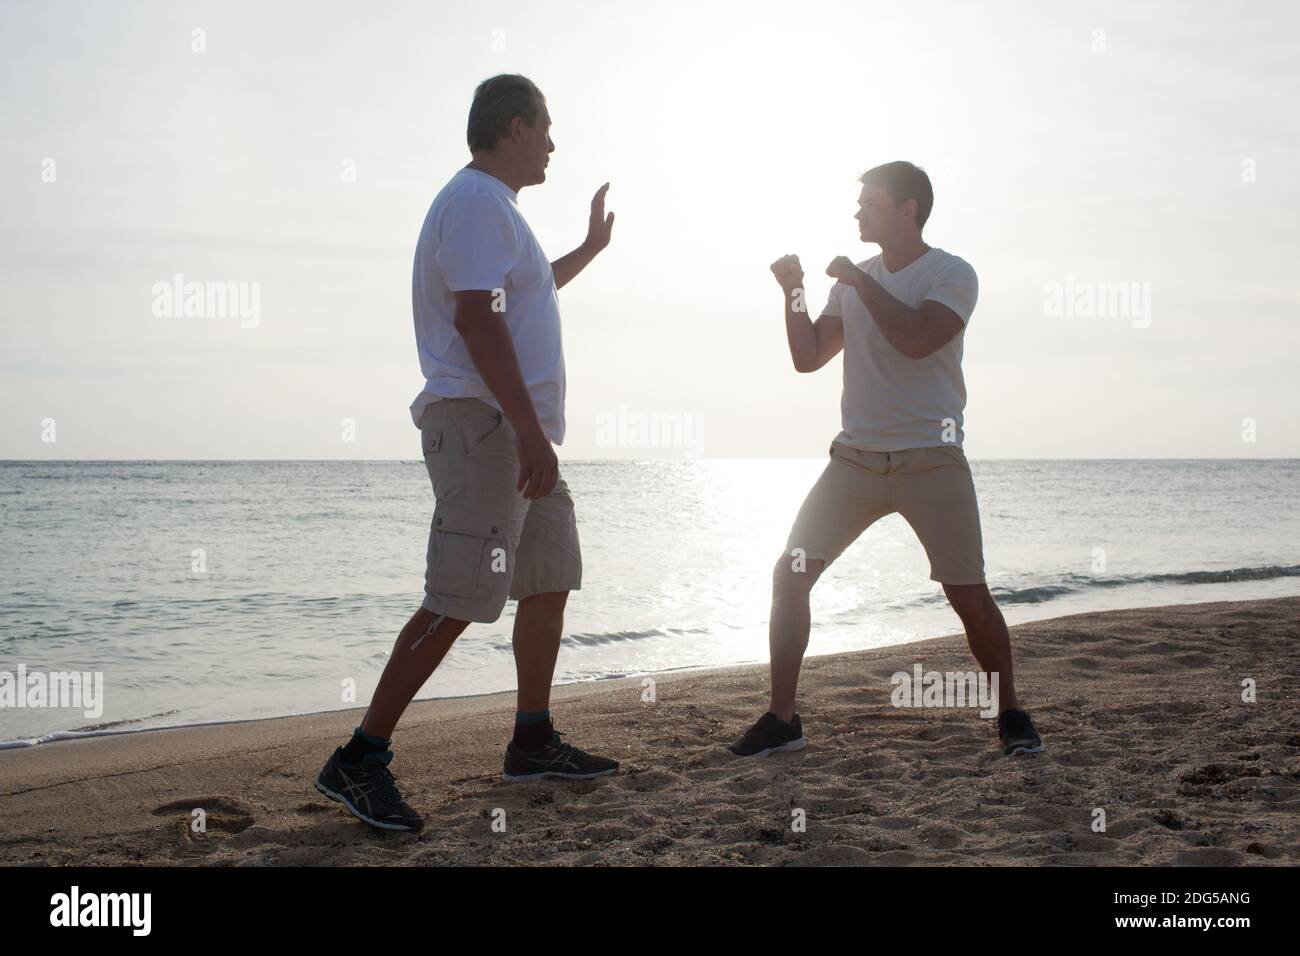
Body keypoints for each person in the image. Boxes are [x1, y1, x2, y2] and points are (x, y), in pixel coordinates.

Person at [315, 74, 619, 833]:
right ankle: (360, 755)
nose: (553, 144)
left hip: (513, 430)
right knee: (457, 597)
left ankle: (532, 736)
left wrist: (588, 249)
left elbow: (528, 295)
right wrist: (524, 426)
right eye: (546, 129)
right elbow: (478, 323)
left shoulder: (497, 212)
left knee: (548, 575)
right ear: (514, 127)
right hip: (486, 426)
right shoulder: (479, 202)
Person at [728, 161, 1044, 760]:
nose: (858, 213)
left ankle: (1011, 713)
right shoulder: (850, 282)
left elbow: (918, 337)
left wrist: (857, 279)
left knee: (968, 593)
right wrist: (794, 290)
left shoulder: (951, 273)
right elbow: (809, 356)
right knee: (789, 573)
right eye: (859, 203)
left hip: (933, 459)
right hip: (856, 460)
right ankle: (783, 719)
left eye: (870, 203)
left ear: (909, 210)